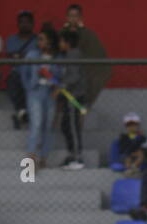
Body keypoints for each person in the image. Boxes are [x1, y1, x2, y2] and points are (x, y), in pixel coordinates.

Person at [21, 26, 57, 168]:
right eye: (38, 39)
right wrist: (29, 87)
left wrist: (57, 84)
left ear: (50, 42)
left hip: (50, 92)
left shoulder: (57, 57)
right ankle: (31, 158)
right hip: (35, 92)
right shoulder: (32, 55)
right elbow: (24, 73)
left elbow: (61, 75)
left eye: (42, 39)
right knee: (36, 123)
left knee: (48, 125)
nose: (39, 42)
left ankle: (43, 157)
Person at [63, 4, 109, 109]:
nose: (73, 19)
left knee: (79, 108)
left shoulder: (88, 35)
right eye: (70, 16)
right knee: (62, 109)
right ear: (67, 17)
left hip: (82, 81)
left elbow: (96, 56)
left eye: (76, 16)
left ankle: (79, 125)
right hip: (64, 78)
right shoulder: (61, 34)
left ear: (80, 18)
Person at [55, 28, 87, 170]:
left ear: (67, 42)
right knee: (65, 125)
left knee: (73, 126)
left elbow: (74, 77)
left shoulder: (73, 55)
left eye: (61, 41)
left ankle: (77, 157)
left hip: (74, 97)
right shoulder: (70, 55)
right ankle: (71, 154)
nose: (59, 44)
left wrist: (61, 86)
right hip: (69, 96)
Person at [2, 11, 37, 129]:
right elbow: (12, 57)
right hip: (17, 72)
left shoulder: (38, 39)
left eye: (27, 22)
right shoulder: (11, 39)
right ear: (17, 24)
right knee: (12, 80)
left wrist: (21, 56)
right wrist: (27, 55)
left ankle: (21, 114)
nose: (24, 25)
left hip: (34, 72)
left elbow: (39, 56)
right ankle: (22, 111)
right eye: (21, 22)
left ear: (32, 24)